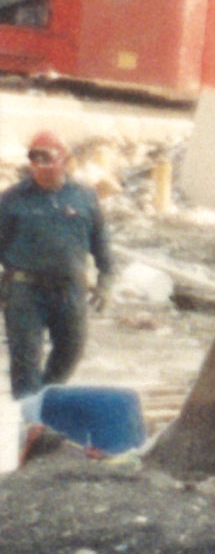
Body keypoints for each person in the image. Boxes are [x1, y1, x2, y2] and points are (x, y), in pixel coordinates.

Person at [0, 129, 113, 400]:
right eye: (34, 157)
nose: (40, 165)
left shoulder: (84, 197)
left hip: (70, 290)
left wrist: (106, 281)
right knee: (25, 361)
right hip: (25, 291)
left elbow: (100, 242)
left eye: (47, 157)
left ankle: (45, 403)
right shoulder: (12, 200)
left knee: (70, 351)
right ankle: (31, 422)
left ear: (64, 160)